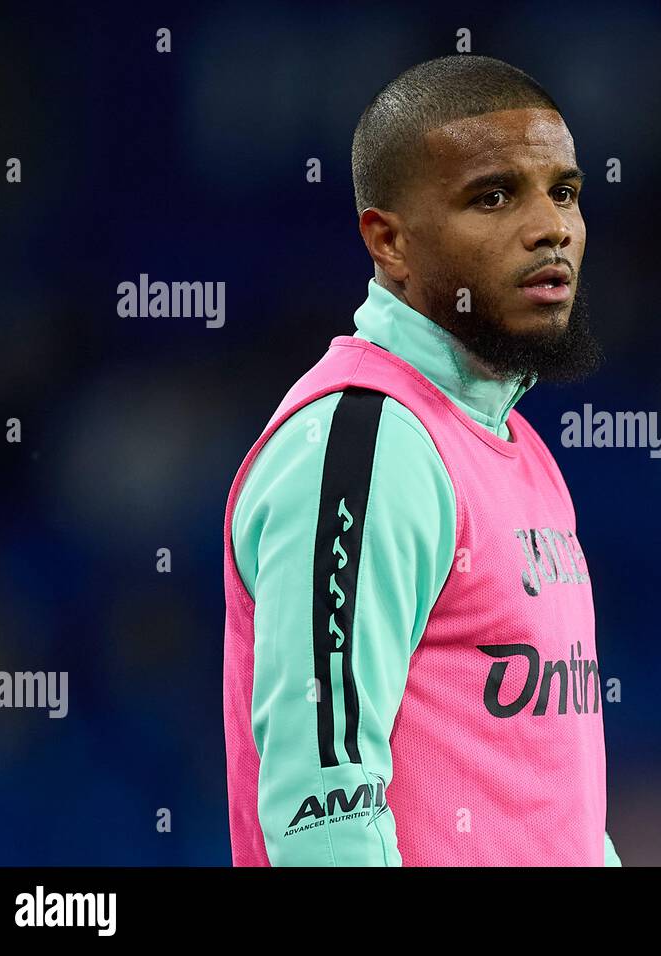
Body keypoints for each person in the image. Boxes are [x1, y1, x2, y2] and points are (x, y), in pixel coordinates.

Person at [221, 54, 619, 866]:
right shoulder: (366, 444)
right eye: (493, 196)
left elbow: (558, 813)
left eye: (564, 192)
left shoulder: (516, 446)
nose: (550, 227)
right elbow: (324, 812)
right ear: (390, 240)